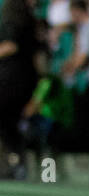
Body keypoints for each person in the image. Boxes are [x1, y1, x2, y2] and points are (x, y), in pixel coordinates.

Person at [0, 0, 41, 179]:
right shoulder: (30, 22)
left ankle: (15, 163)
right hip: (23, 78)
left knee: (6, 122)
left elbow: (11, 45)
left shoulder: (13, 21)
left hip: (12, 79)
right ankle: (16, 163)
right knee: (10, 124)